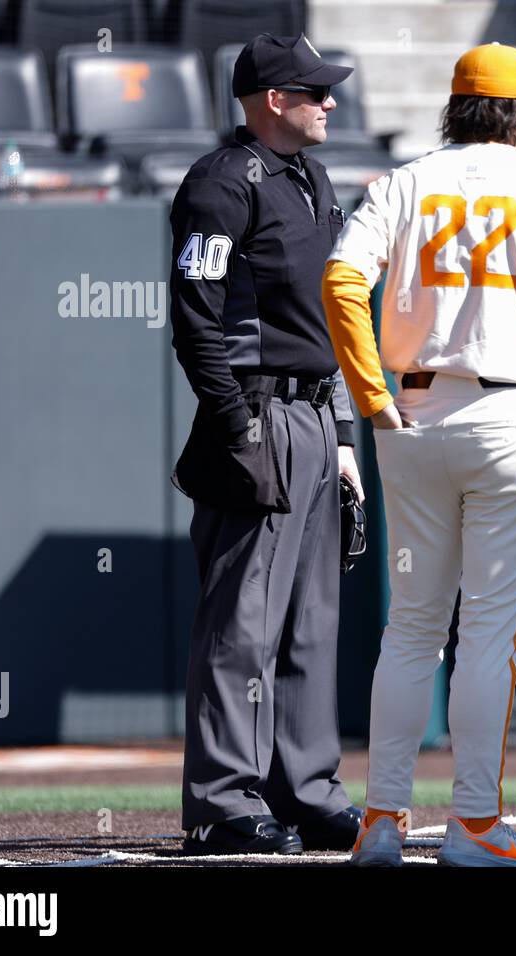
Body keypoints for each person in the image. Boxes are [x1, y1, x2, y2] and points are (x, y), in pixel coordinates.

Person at [322, 42, 516, 867]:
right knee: (490, 630)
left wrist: (373, 396)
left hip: (411, 413)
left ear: (455, 106)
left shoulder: (400, 182)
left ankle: (381, 820)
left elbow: (343, 283)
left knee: (411, 627)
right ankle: (475, 826)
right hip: (512, 415)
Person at [168, 34, 365, 856]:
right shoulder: (223, 181)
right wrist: (235, 423)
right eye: (314, 92)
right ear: (273, 101)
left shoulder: (309, 179)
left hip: (318, 417)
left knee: (311, 623)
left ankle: (307, 790)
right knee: (242, 624)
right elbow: (195, 314)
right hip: (260, 416)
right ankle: (222, 801)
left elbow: (330, 323)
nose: (329, 102)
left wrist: (346, 437)